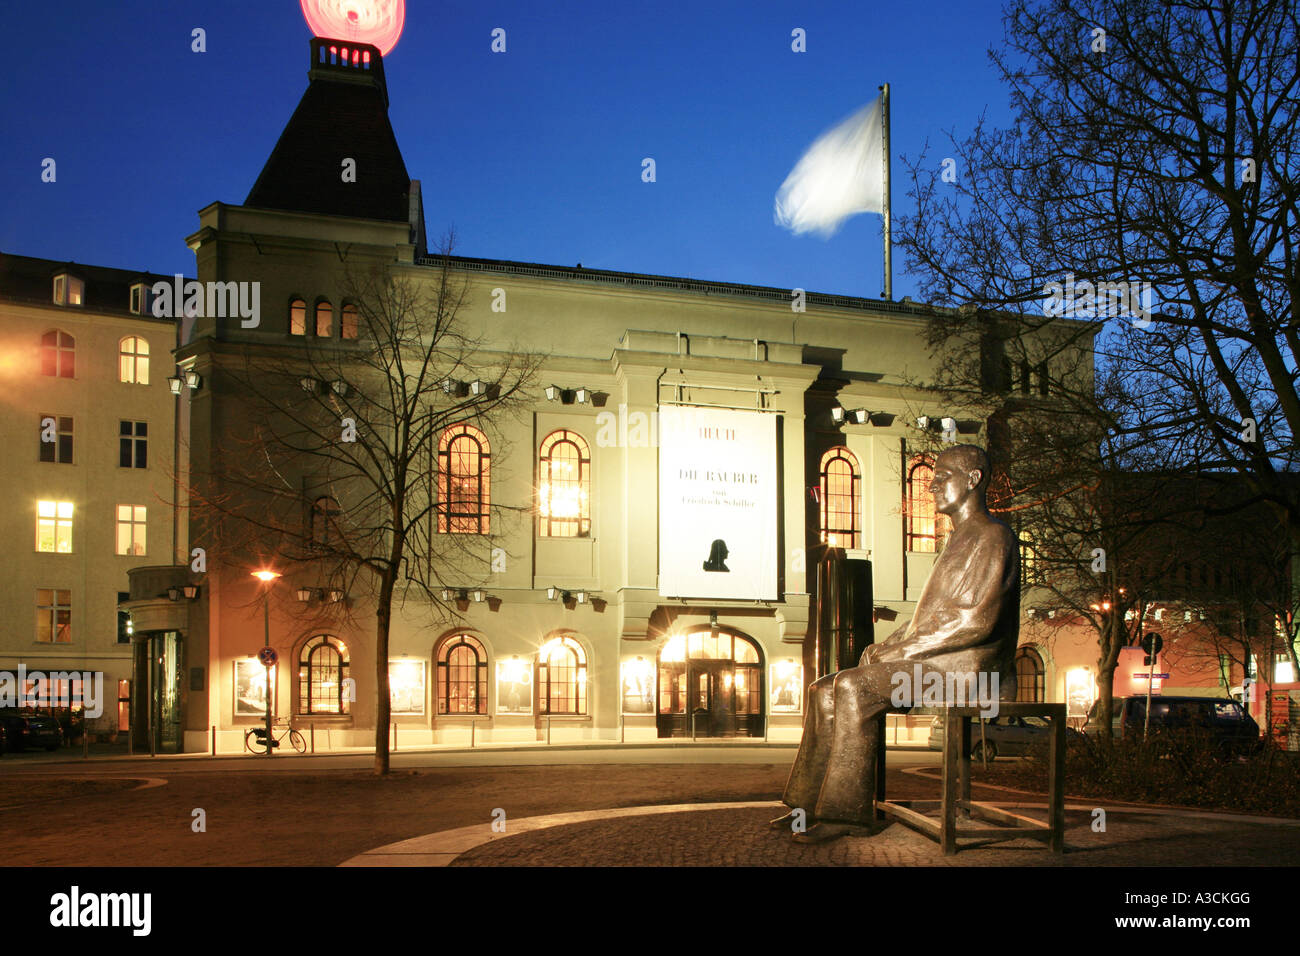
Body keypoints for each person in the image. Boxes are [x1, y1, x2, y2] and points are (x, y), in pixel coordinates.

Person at [771, 444, 1020, 843]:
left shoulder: (993, 536)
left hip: (971, 674)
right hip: (940, 664)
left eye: (943, 475)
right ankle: (806, 805)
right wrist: (888, 644)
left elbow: (973, 620)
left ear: (973, 480)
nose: (933, 485)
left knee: (854, 687)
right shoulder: (958, 540)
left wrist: (900, 651)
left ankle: (848, 816)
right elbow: (931, 619)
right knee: (823, 689)